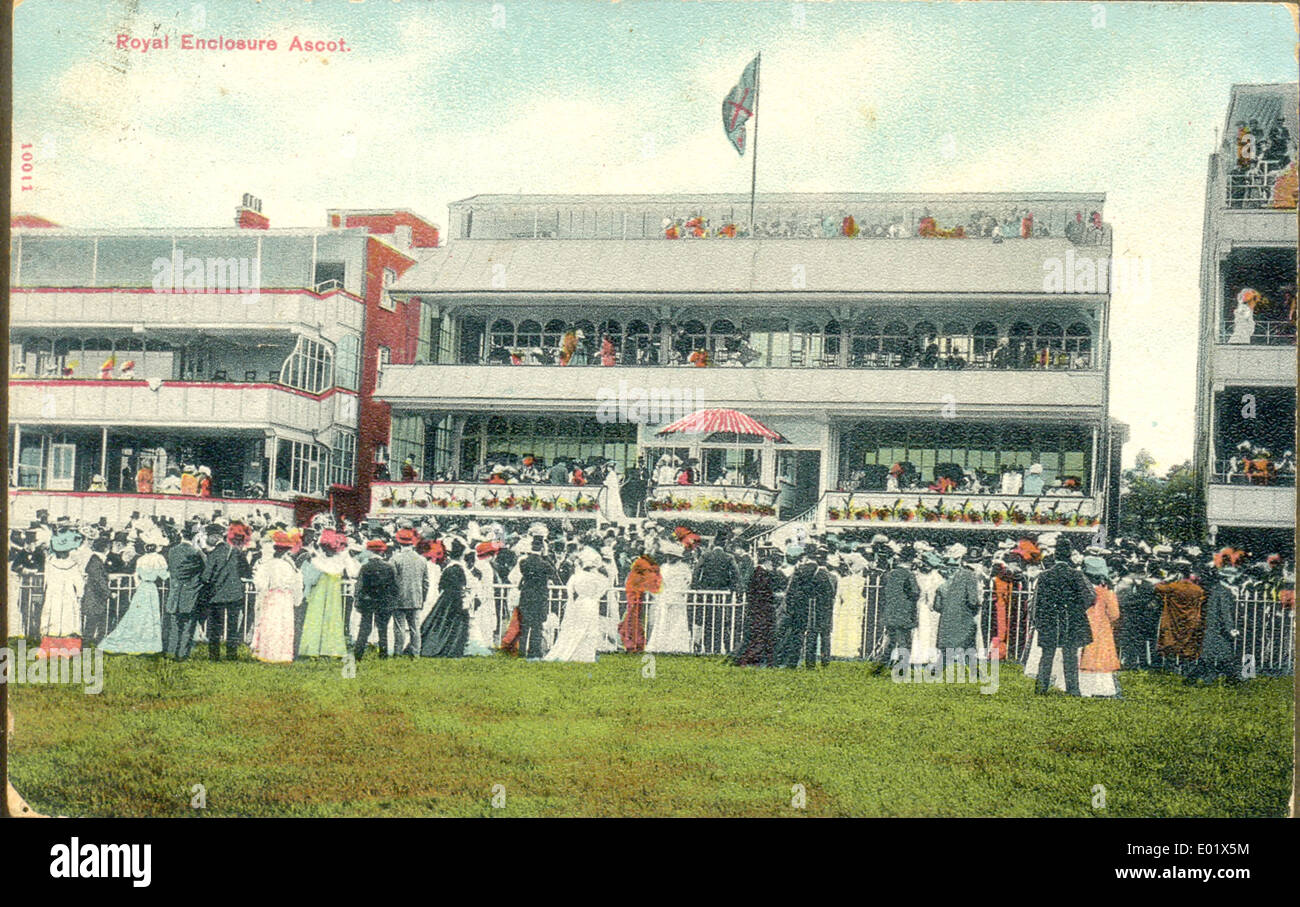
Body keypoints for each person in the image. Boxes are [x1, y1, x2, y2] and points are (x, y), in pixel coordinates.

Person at [1025, 538, 1094, 696]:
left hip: (1049, 620)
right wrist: (1077, 609)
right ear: (1069, 556)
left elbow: (1036, 601)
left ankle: (1041, 688)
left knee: (1046, 655)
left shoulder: (1044, 576)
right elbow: (1090, 596)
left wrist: (1037, 619)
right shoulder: (1076, 575)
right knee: (1070, 656)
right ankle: (1073, 689)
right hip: (1071, 620)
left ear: (1055, 556)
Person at [100, 525, 168, 655]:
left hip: (142, 587)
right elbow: (163, 575)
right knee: (150, 614)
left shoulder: (141, 559)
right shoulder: (159, 559)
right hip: (151, 587)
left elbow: (136, 575)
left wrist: (138, 585)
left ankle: (130, 639)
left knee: (136, 613)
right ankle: (148, 642)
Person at [299, 529, 357, 659]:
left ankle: (312, 648)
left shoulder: (317, 560)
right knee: (332, 619)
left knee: (316, 619)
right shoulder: (339, 562)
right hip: (333, 595)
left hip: (318, 594)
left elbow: (310, 579)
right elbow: (353, 571)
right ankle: (330, 648)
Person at [544, 547, 608, 662]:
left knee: (576, 628)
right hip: (591, 604)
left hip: (579, 603)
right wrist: (594, 597)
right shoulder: (598, 578)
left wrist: (572, 602)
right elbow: (602, 591)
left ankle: (574, 653)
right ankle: (586, 655)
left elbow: (570, 592)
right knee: (589, 629)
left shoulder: (576, 576)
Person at [250, 530, 303, 664]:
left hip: (273, 596)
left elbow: (260, 583)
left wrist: (263, 594)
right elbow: (297, 583)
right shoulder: (290, 566)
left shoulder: (268, 565)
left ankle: (269, 653)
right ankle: (281, 654)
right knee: (282, 625)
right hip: (284, 598)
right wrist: (297, 598)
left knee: (271, 624)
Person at [201, 522, 251, 661]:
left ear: (215, 537)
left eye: (208, 536)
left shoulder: (215, 553)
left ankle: (214, 656)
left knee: (215, 628)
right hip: (235, 594)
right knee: (232, 627)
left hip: (217, 595)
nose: (206, 539)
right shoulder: (235, 551)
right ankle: (231, 655)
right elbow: (247, 571)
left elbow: (206, 576)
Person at [1186, 566, 1241, 685]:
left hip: (1211, 627)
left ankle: (1229, 680)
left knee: (1212, 656)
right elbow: (1225, 612)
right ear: (1228, 578)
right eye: (1232, 577)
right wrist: (1231, 628)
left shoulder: (1215, 589)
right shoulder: (1223, 592)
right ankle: (1230, 680)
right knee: (1224, 655)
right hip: (1218, 629)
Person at [36, 526, 86, 657]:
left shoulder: (50, 562)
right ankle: (67, 650)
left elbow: (46, 581)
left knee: (52, 618)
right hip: (68, 595)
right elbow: (79, 583)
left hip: (53, 594)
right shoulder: (73, 565)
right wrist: (80, 595)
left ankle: (51, 649)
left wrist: (45, 591)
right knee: (67, 621)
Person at [163, 522, 206, 659]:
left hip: (175, 592)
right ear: (194, 537)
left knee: (175, 625)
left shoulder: (172, 551)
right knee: (188, 626)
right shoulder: (195, 553)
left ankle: (171, 651)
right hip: (190, 593)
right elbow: (205, 568)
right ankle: (182, 654)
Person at [421, 538, 471, 657]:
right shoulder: (458, 568)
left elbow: (441, 585)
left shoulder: (449, 568)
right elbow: (463, 585)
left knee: (440, 622)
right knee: (454, 624)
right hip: (455, 599)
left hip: (446, 599)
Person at [731, 551, 781, 667]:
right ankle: (749, 661)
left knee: (758, 637)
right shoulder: (761, 573)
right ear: (767, 562)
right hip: (761, 611)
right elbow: (763, 593)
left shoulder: (757, 572)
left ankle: (752, 661)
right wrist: (775, 596)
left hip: (756, 610)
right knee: (760, 637)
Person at [353, 539, 400, 660]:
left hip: (367, 602)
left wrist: (358, 600)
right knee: (382, 630)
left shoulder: (365, 567)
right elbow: (395, 586)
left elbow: (359, 586)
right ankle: (383, 655)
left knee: (364, 629)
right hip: (384, 601)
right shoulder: (389, 567)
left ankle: (358, 654)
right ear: (382, 552)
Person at [876, 547, 920, 672]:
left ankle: (880, 666)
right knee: (904, 643)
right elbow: (915, 592)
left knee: (890, 641)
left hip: (890, 612)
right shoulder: (909, 575)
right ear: (911, 560)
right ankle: (901, 669)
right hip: (904, 614)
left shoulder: (889, 574)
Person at [513, 536, 556, 659]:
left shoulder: (524, 563)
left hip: (526, 596)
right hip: (539, 597)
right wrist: (546, 555)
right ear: (542, 549)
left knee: (524, 625)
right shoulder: (544, 564)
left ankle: (521, 651)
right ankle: (534, 652)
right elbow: (553, 572)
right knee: (537, 626)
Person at [934, 545, 982, 657]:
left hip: (948, 617)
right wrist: (977, 607)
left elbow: (939, 600)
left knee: (947, 651)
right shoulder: (971, 576)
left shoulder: (954, 576)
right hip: (962, 618)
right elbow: (973, 601)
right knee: (968, 647)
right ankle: (975, 672)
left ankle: (936, 671)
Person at [647, 542, 693, 653]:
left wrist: (681, 592)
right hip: (665, 597)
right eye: (667, 556)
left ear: (677, 557)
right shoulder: (663, 567)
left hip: (678, 598)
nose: (668, 558)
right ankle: (661, 646)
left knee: (677, 622)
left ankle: (677, 646)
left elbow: (688, 582)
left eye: (671, 556)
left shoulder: (684, 568)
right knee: (663, 621)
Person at [390, 528, 426, 657]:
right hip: (416, 598)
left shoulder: (395, 559)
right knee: (415, 628)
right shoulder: (421, 560)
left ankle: (398, 653)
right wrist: (423, 597)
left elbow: (391, 580)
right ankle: (416, 653)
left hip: (399, 598)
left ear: (399, 543)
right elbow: (425, 582)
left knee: (399, 628)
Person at [619, 545, 660, 653]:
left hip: (639, 599)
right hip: (636, 599)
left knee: (635, 621)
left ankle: (636, 643)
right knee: (633, 621)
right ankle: (633, 644)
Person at [829, 552, 868, 658]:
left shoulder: (843, 580)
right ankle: (852, 650)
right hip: (856, 605)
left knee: (844, 628)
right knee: (854, 628)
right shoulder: (863, 581)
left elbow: (839, 597)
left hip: (845, 607)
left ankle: (842, 650)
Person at [910, 551, 945, 665]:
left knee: (932, 632)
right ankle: (918, 655)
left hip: (932, 608)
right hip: (919, 607)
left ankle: (930, 655)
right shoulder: (916, 576)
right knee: (918, 631)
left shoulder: (937, 577)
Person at [80, 532, 111, 645]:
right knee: (91, 624)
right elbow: (99, 580)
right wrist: (109, 593)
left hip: (96, 598)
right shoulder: (95, 561)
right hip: (94, 598)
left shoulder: (96, 560)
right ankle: (86, 646)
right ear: (106, 548)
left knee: (96, 622)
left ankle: (96, 644)